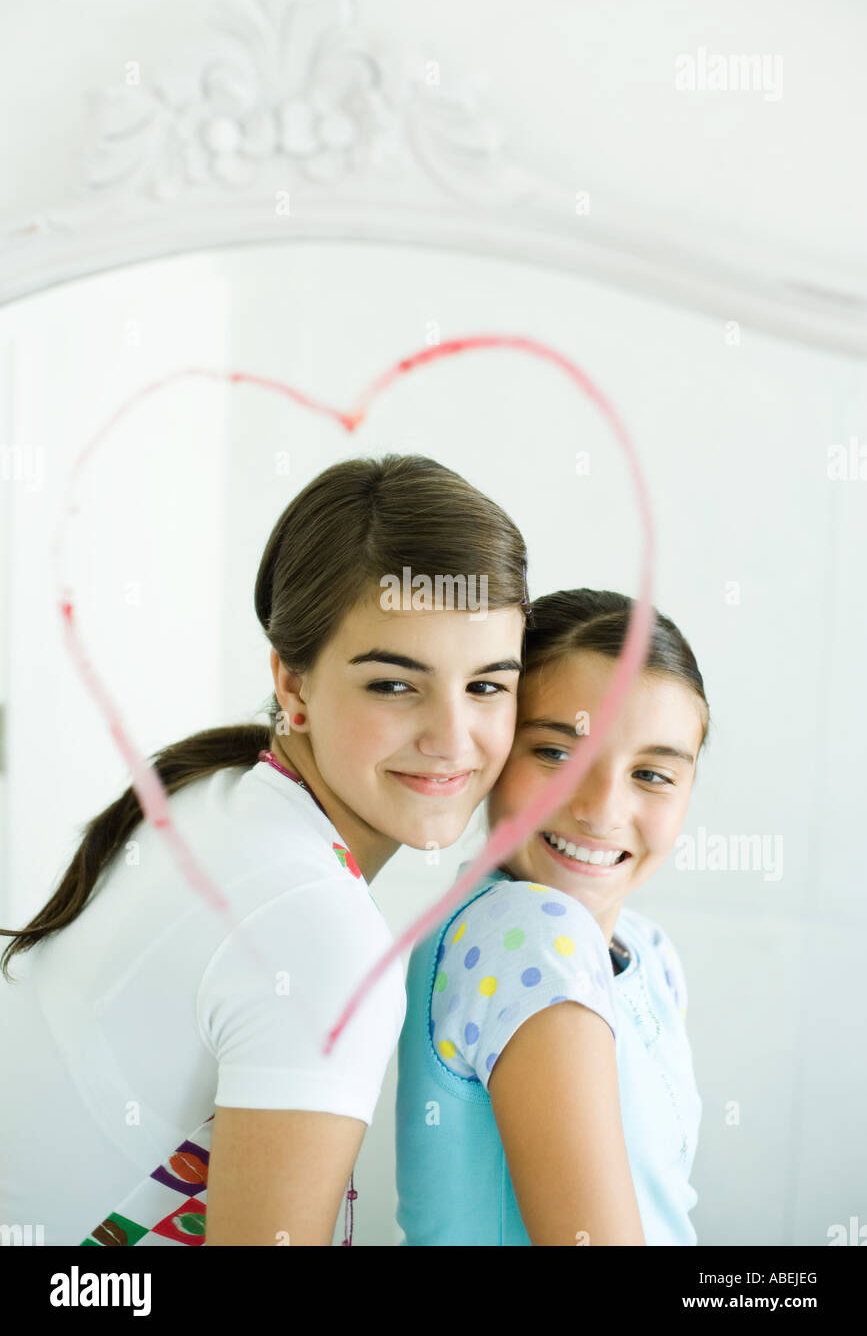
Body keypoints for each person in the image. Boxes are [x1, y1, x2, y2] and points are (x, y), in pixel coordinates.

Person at [0, 453, 529, 1246]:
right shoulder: (319, 932)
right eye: (393, 683)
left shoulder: (211, 793)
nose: (452, 739)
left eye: (487, 685)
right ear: (292, 685)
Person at [396, 588, 709, 1246]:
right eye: (556, 754)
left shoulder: (648, 953)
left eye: (651, 775)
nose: (599, 810)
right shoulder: (529, 934)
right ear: (494, 747)